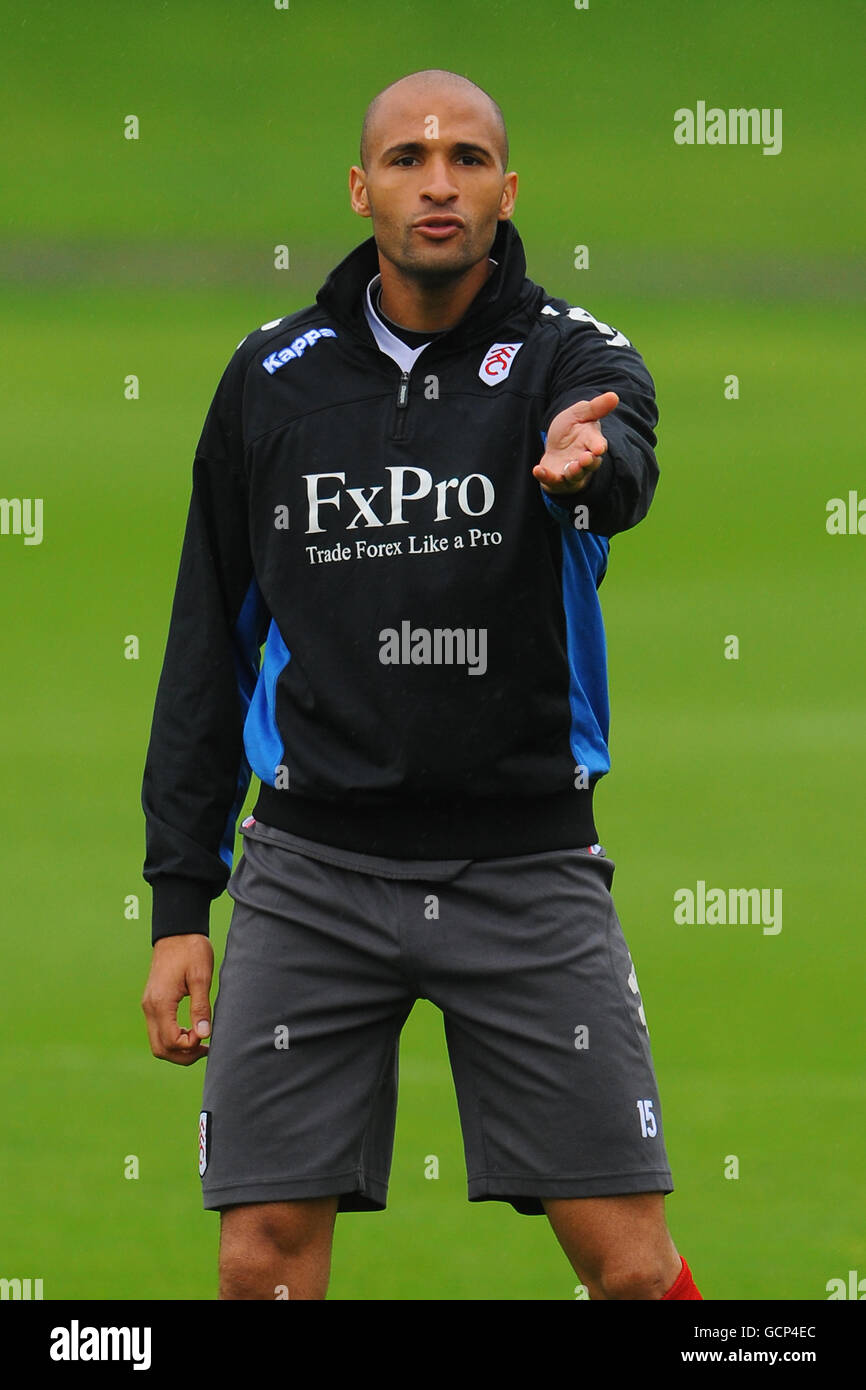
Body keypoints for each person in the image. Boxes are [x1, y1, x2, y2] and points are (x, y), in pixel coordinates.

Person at [140, 67, 702, 1302]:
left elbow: (623, 457)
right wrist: (183, 899)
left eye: (464, 159)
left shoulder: (572, 356)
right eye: (405, 159)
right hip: (308, 876)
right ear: (360, 189)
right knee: (259, 1265)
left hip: (524, 867)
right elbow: (207, 644)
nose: (435, 182)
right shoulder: (270, 380)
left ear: (507, 189)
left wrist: (583, 469)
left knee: (625, 1267)